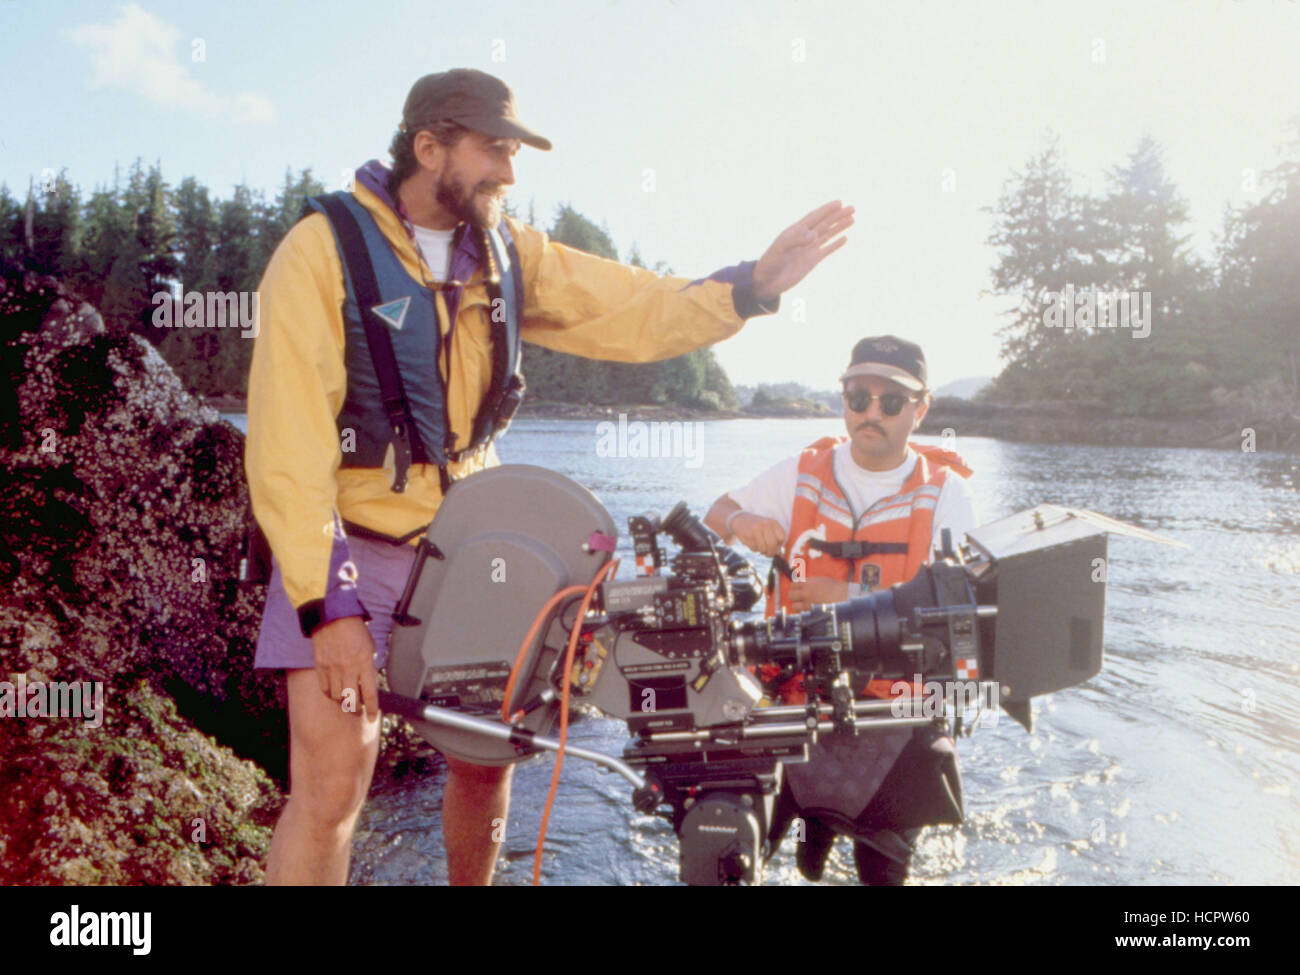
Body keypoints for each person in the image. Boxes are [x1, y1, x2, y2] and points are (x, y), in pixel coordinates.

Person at [245, 68, 854, 885]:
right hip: (345, 548)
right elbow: (285, 447)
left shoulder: (505, 251)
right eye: (493, 149)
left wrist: (747, 289)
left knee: (485, 763)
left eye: (514, 151)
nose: (510, 171)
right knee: (331, 788)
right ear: (429, 146)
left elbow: (627, 307)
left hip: (467, 548)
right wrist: (330, 607)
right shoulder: (319, 251)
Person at [703, 335, 976, 884]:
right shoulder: (801, 472)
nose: (871, 413)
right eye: (858, 397)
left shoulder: (945, 494)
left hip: (892, 710)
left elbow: (956, 604)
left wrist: (842, 596)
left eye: (891, 402)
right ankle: (806, 829)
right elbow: (717, 510)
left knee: (883, 868)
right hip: (790, 698)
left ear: (920, 409)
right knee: (723, 846)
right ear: (844, 399)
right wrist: (741, 523)